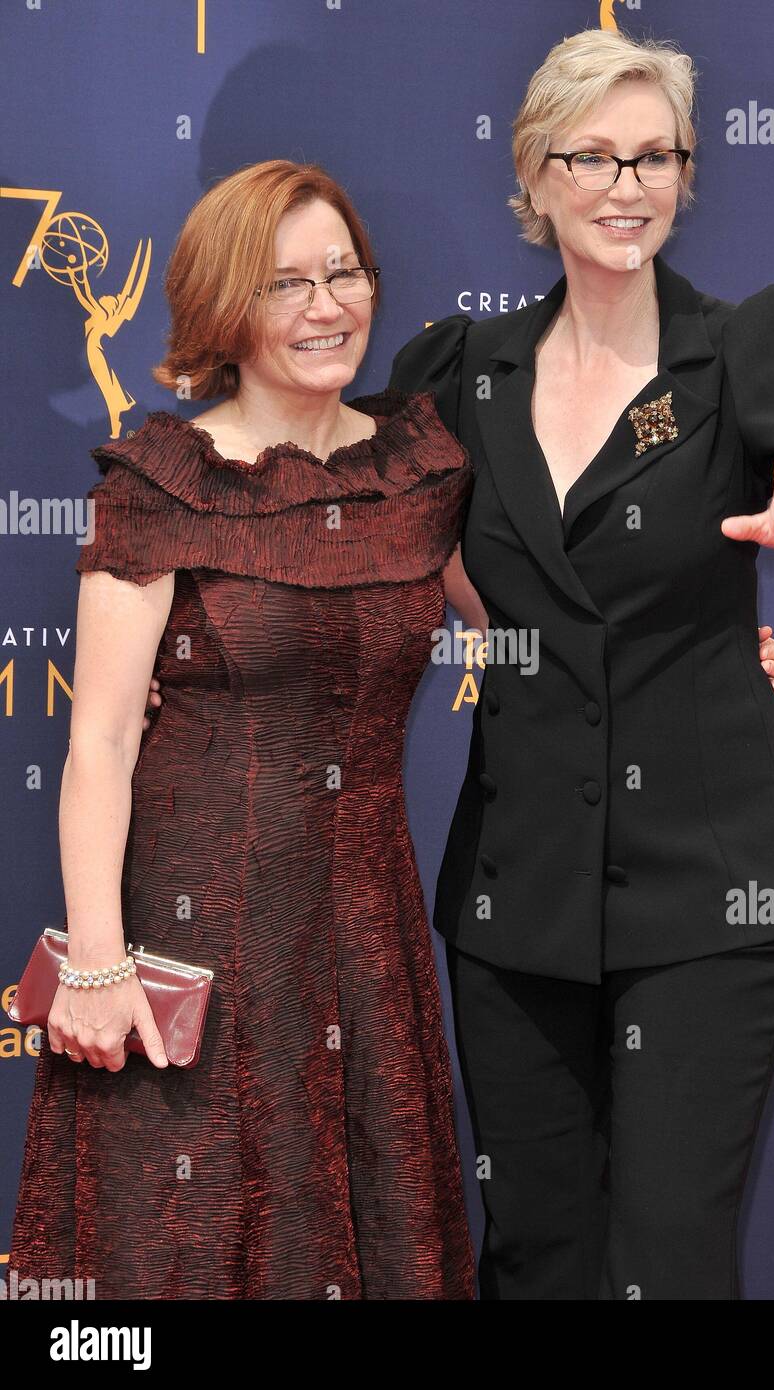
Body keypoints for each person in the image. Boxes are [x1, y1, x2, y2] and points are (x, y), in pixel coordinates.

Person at [386, 29, 774, 1298]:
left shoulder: (746, 343)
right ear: (533, 175)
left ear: (688, 176)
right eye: (592, 156)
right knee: (535, 1259)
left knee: (666, 1264)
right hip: (517, 892)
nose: (626, 184)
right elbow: (361, 533)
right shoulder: (465, 374)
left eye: (656, 156)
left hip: (712, 887)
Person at [8, 159, 477, 1299]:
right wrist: (102, 963)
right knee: (182, 1244)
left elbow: (539, 648)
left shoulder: (419, 470)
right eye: (285, 285)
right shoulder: (164, 482)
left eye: (345, 273)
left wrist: (711, 660)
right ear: (226, 305)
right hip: (190, 946)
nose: (327, 307)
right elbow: (103, 744)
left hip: (364, 939)